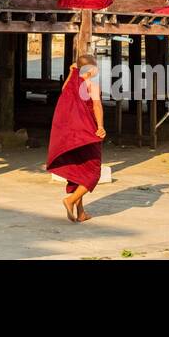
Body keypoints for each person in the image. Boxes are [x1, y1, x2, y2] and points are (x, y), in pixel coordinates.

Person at [46, 53, 106, 223]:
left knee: (78, 172)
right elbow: (97, 106)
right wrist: (100, 127)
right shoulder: (92, 86)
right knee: (93, 172)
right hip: (87, 133)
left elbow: (66, 92)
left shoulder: (71, 83)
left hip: (71, 135)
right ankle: (70, 200)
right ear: (91, 69)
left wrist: (73, 71)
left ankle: (81, 213)